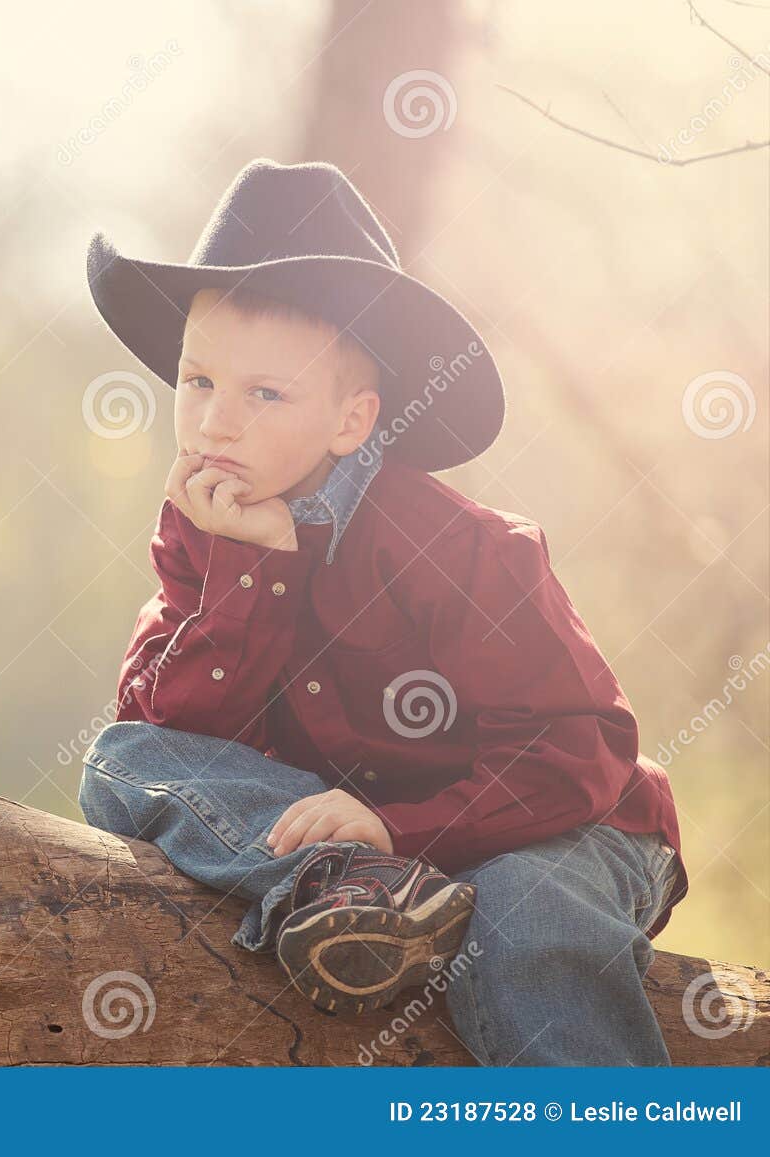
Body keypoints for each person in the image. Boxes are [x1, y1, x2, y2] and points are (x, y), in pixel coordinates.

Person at [76, 158, 686, 1065]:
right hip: (372, 850)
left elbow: (582, 748)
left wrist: (401, 825)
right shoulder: (205, 529)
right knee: (121, 761)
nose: (214, 424)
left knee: (526, 913)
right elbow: (167, 732)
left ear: (351, 422)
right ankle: (350, 888)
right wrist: (248, 575)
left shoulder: (460, 547)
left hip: (565, 825)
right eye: (197, 381)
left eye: (264, 394)